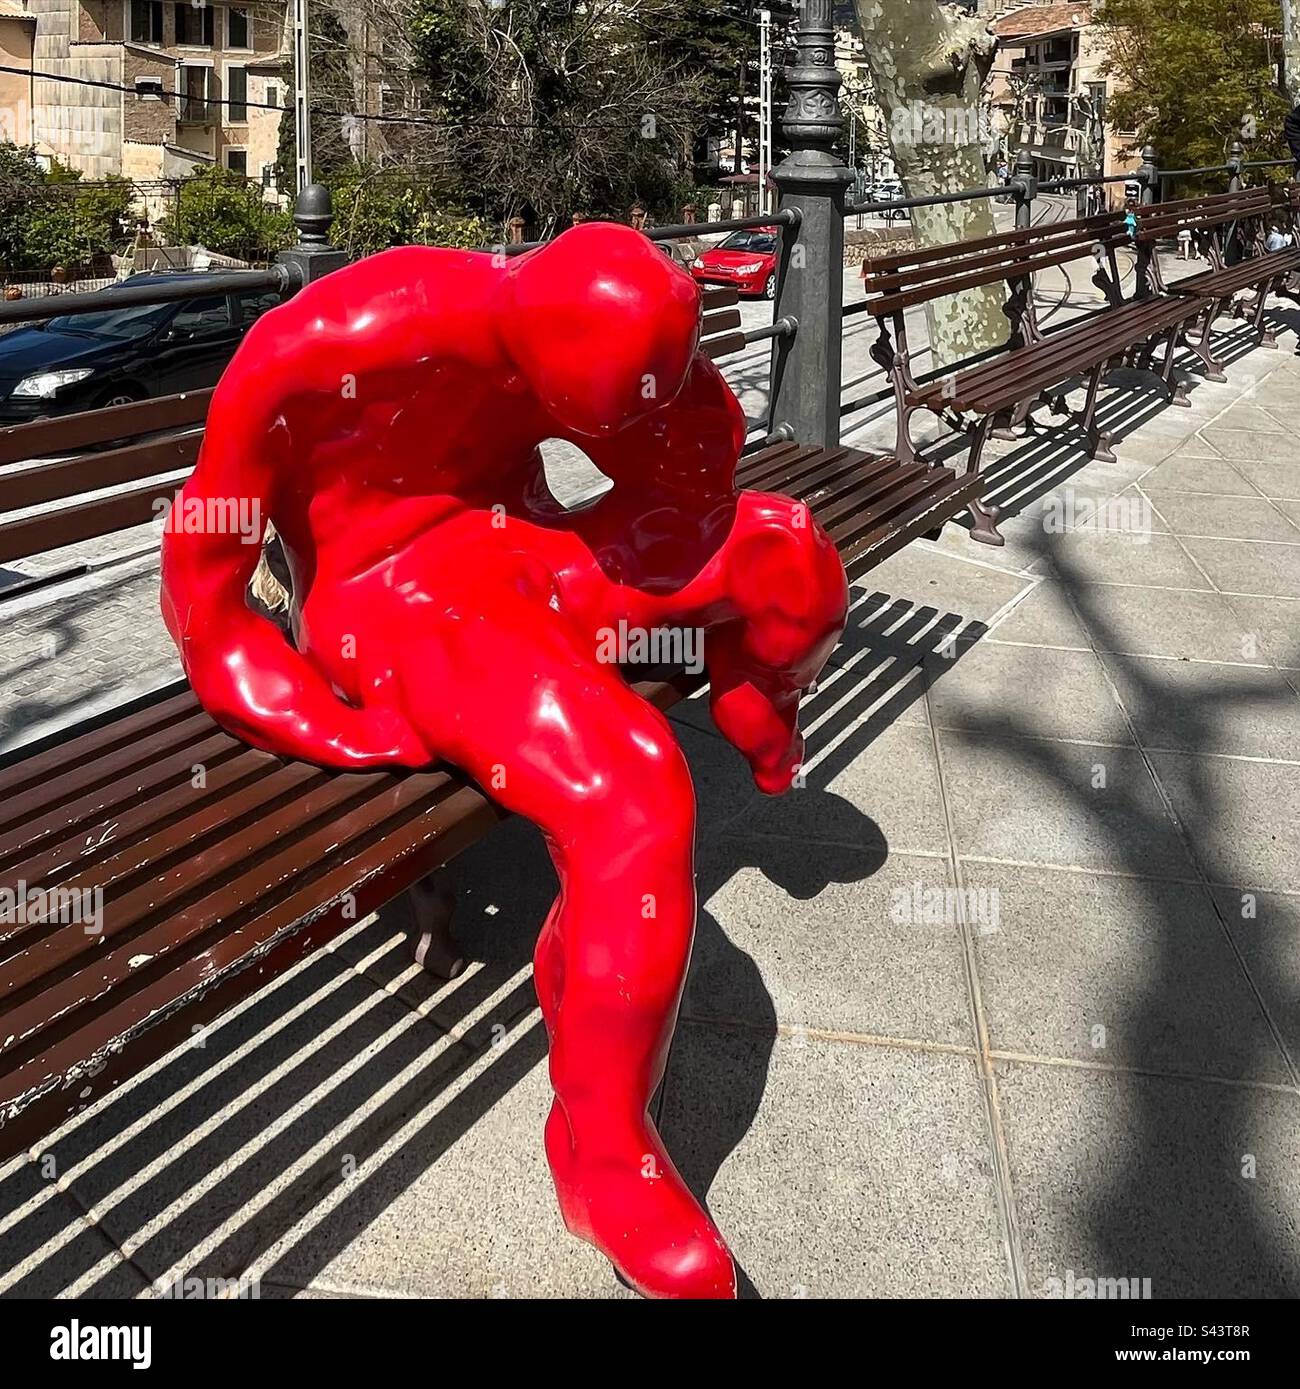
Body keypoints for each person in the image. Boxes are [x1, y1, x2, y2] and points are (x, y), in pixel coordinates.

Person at [160, 222, 848, 1300]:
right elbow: (207, 598)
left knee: (783, 550)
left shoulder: (595, 338)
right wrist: (316, 717)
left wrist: (679, 425)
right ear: (535, 343)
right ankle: (606, 1156)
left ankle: (759, 713)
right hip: (400, 599)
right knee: (633, 793)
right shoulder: (317, 352)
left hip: (527, 556)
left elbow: (687, 478)